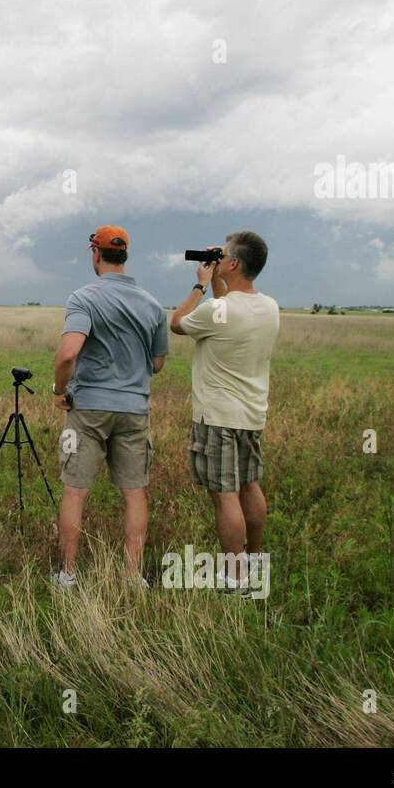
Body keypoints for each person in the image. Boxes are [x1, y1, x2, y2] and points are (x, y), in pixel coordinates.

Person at [51, 224, 168, 589]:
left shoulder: (84, 298)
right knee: (134, 491)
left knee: (76, 490)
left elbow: (69, 352)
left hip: (89, 408)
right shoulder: (151, 303)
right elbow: (158, 362)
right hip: (134, 409)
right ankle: (133, 577)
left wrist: (59, 389)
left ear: (95, 254)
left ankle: (68, 574)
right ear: (125, 255)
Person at [170, 231, 280, 591]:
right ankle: (253, 560)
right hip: (251, 414)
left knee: (225, 495)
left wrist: (201, 284)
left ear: (232, 262)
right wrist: (220, 280)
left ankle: (234, 578)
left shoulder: (218, 308)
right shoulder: (269, 306)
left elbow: (177, 323)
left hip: (217, 417)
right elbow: (225, 310)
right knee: (249, 486)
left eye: (224, 255)